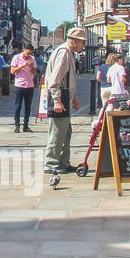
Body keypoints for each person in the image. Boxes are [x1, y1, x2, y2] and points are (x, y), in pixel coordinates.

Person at [43, 27, 86, 175]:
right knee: (57, 132)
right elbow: (55, 80)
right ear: (74, 41)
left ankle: (63, 163)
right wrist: (56, 100)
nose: (83, 45)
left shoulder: (68, 52)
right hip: (60, 96)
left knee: (66, 132)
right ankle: (51, 164)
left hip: (65, 96)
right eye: (82, 42)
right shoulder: (64, 53)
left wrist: (74, 98)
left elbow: (67, 80)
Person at [10, 44, 38, 133]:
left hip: (29, 85)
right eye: (27, 53)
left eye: (30, 53)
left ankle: (26, 126)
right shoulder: (17, 57)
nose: (28, 55)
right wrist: (22, 65)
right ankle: (17, 125)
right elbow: (12, 71)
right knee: (18, 106)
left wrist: (30, 67)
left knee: (28, 107)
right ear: (24, 50)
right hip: (19, 85)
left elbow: (35, 73)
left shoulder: (32, 59)